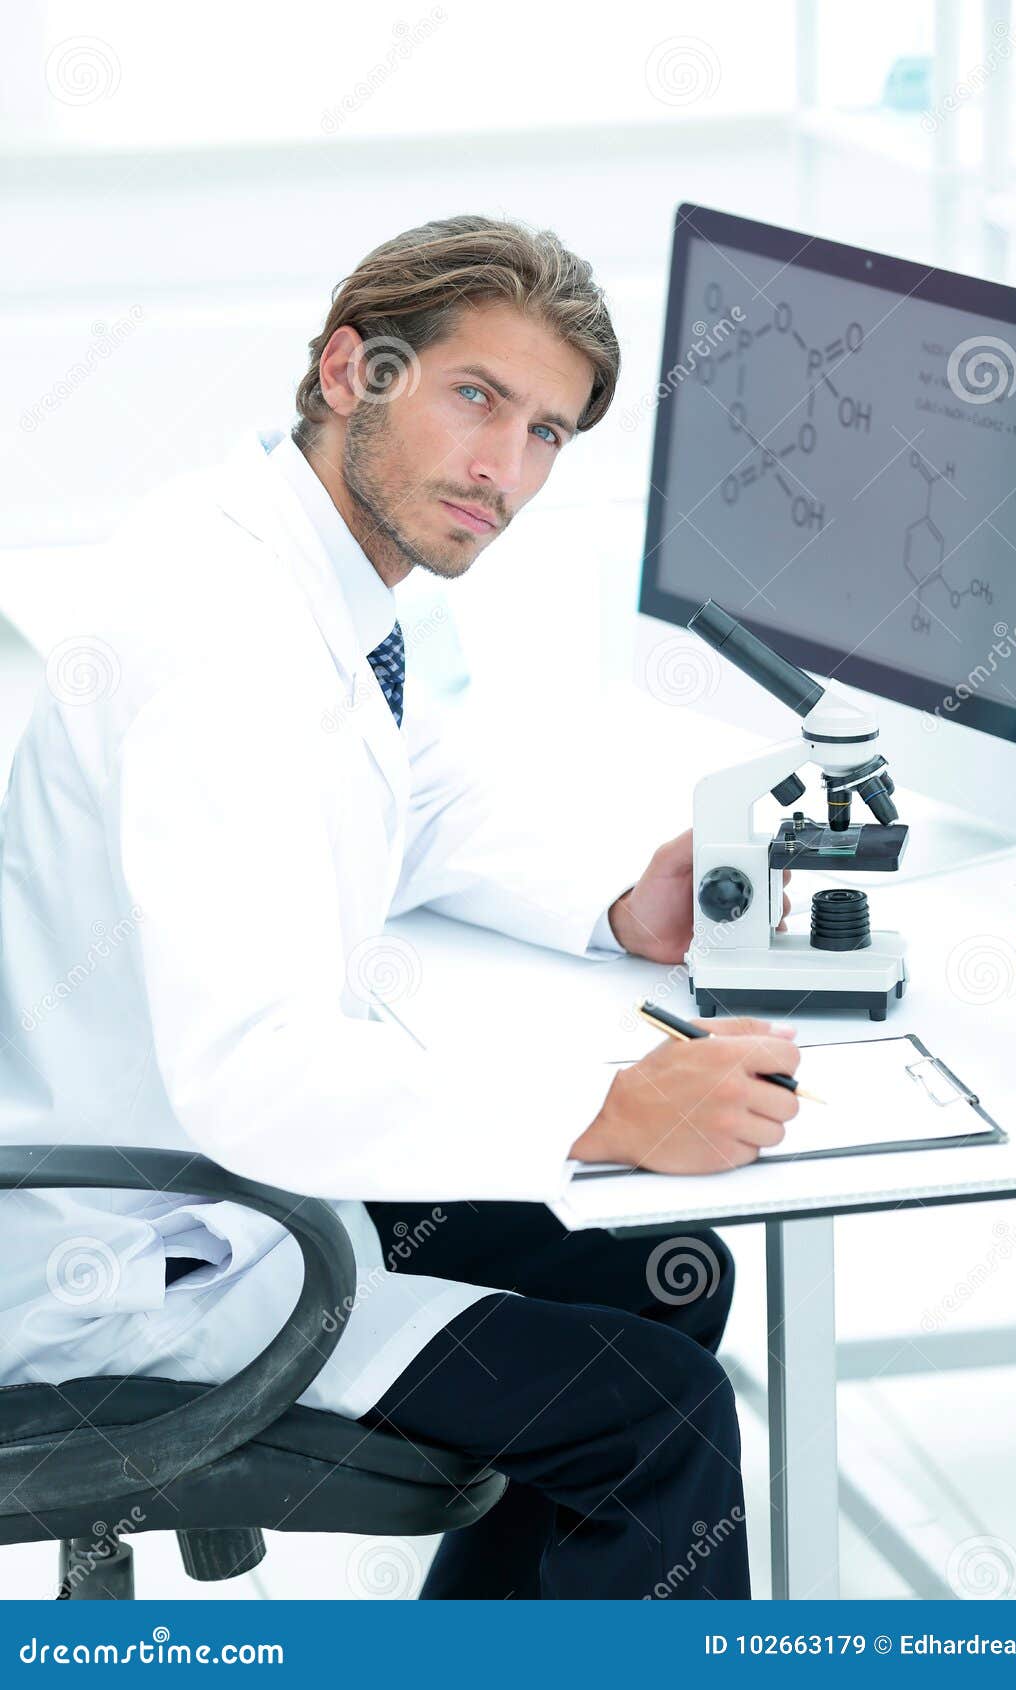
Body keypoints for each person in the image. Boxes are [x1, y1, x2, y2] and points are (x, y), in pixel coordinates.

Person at [0, 215, 800, 1600]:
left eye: (548, 432)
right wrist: (602, 1108)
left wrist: (618, 902)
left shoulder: (303, 554)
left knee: (663, 1268)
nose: (505, 469)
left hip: (226, 1170)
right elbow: (254, 1077)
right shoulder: (218, 644)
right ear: (350, 371)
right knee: (657, 1417)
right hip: (141, 1244)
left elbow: (409, 792)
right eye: (475, 397)